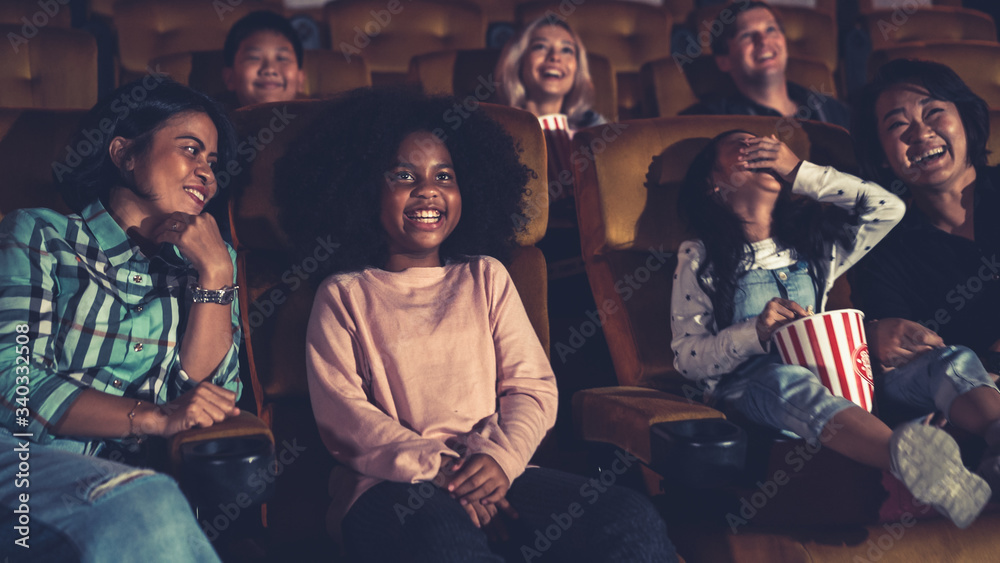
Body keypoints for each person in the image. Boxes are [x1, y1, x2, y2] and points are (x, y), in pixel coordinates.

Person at [274, 87, 676, 562]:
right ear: (364, 190)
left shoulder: (485, 275)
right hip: (390, 486)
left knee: (626, 515)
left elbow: (532, 388)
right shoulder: (343, 293)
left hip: (498, 470)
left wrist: (499, 463)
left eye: (444, 175)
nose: (428, 189)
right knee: (447, 546)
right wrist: (443, 469)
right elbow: (345, 418)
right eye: (404, 175)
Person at [670, 129, 995, 528]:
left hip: (839, 375)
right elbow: (686, 357)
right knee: (787, 379)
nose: (763, 149)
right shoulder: (699, 255)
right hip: (752, 390)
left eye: (768, 145)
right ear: (713, 184)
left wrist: (799, 170)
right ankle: (912, 462)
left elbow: (886, 208)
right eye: (744, 147)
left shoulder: (813, 246)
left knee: (952, 358)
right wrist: (753, 333)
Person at [0, 79, 242, 560]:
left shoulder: (210, 263)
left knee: (151, 502)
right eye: (190, 150)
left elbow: (216, 399)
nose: (206, 174)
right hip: (25, 467)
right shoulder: (42, 234)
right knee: (145, 502)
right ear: (124, 153)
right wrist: (153, 418)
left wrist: (214, 275)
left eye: (212, 163)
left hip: (146, 491)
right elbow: (11, 380)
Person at [851, 58, 1000, 488]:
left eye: (934, 112)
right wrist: (876, 333)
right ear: (882, 155)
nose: (920, 133)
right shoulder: (884, 248)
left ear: (966, 120)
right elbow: (910, 360)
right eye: (898, 126)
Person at [496, 14, 605, 231]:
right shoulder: (495, 130)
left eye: (567, 50)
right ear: (518, 62)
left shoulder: (597, 128)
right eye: (540, 47)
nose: (555, 57)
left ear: (577, 69)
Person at [680, 1, 850, 130]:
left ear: (784, 41)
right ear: (724, 61)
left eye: (770, 30)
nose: (763, 41)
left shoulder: (830, 108)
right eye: (746, 35)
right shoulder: (709, 121)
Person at [222, 10, 306, 109]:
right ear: (229, 78)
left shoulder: (320, 118)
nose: (270, 69)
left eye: (282, 58)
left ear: (300, 79)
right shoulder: (210, 122)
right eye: (254, 58)